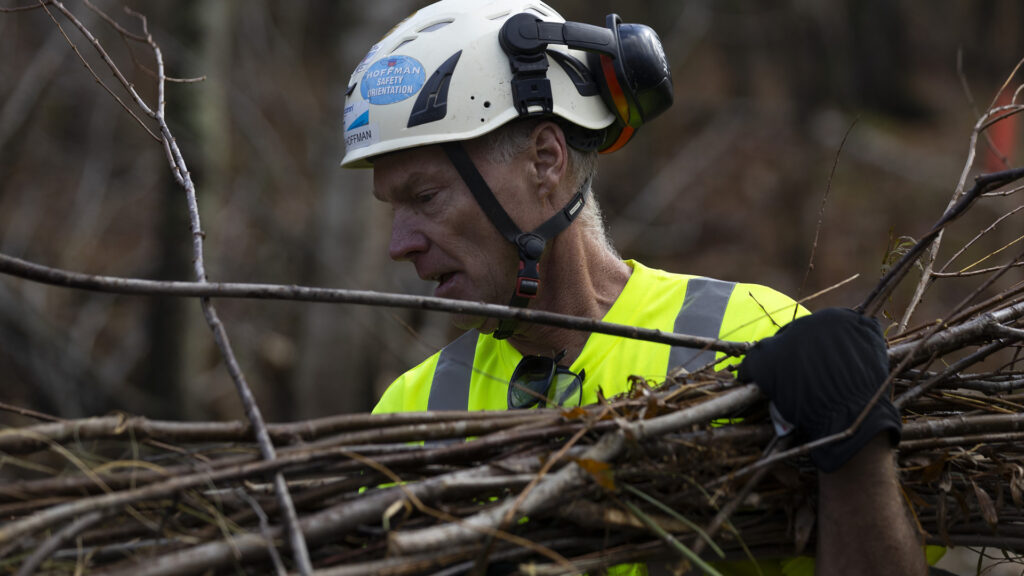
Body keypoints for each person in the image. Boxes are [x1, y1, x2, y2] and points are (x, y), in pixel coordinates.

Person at [340, 1, 929, 574]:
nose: (401, 243)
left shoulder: (749, 333)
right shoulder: (409, 412)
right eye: (394, 209)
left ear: (545, 160)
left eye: (424, 198)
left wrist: (857, 455)